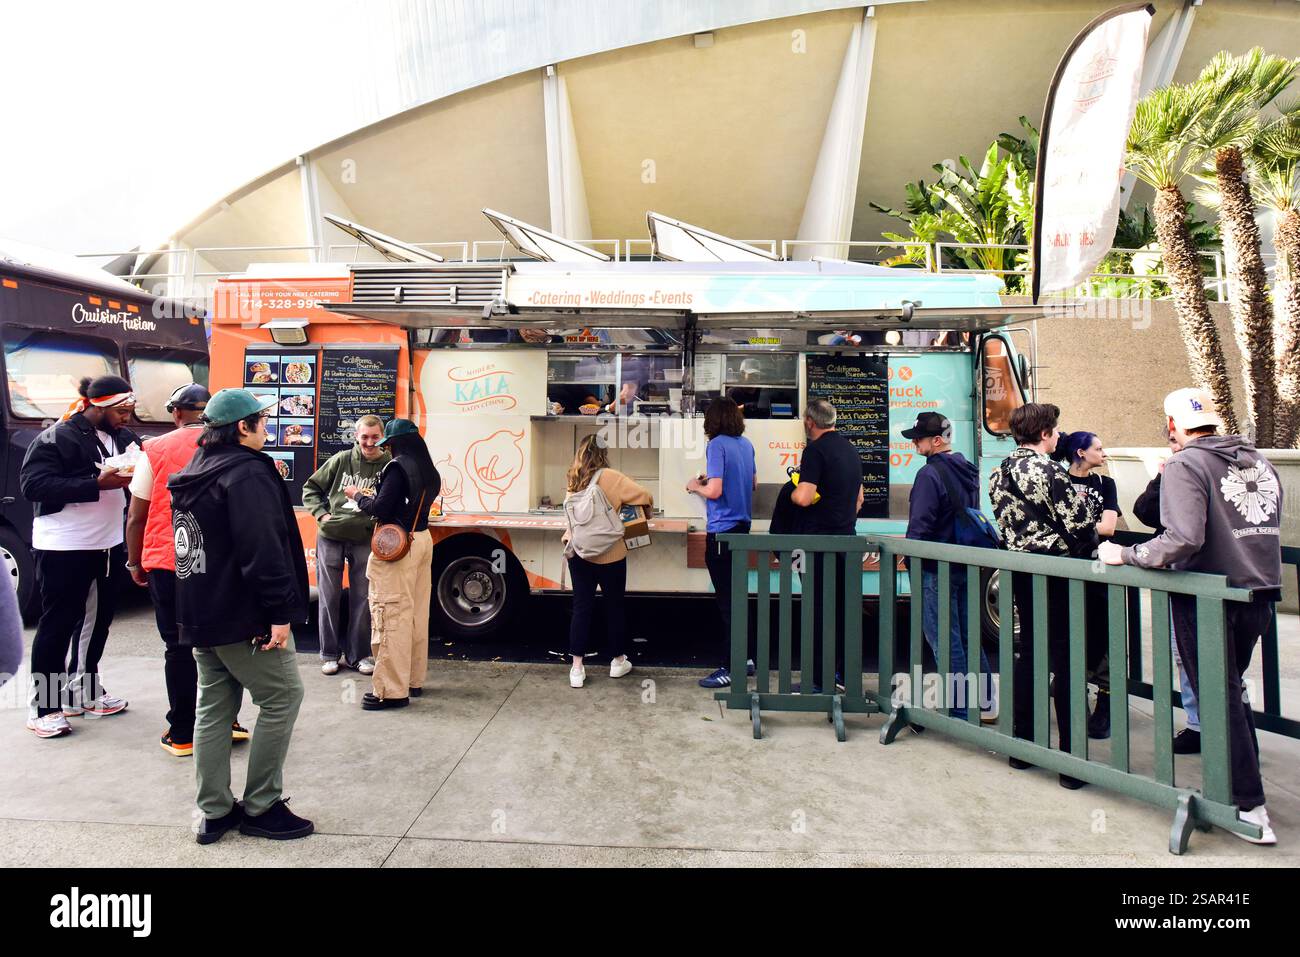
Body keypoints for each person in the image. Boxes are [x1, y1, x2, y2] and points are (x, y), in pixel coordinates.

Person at [1099, 388, 1280, 844]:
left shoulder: (1185, 464)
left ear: (1172, 425)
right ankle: (1244, 790)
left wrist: (1127, 553)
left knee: (1217, 699)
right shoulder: (1258, 461)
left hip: (1209, 596)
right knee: (1231, 697)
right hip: (1257, 593)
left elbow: (1181, 539)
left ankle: (1248, 806)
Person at [168, 388, 312, 844]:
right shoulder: (246, 473)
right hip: (242, 615)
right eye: (261, 422)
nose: (267, 429)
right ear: (242, 427)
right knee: (283, 697)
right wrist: (278, 611)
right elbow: (262, 548)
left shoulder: (195, 469)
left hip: (200, 611)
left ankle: (213, 812)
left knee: (213, 707)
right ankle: (262, 806)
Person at [124, 384, 249, 756]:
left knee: (177, 647)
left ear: (176, 413)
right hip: (219, 563)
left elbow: (136, 514)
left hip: (168, 557)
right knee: (222, 641)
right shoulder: (233, 447)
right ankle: (227, 721)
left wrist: (135, 560)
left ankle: (182, 733)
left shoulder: (156, 448)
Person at [20, 375, 139, 738]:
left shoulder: (122, 437)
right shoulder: (56, 437)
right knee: (57, 625)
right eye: (120, 411)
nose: (127, 418)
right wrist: (95, 484)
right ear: (96, 406)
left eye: (129, 410)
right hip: (63, 545)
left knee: (97, 623)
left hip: (108, 543)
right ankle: (44, 707)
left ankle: (84, 691)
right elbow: (33, 485)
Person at [988, 403, 1096, 789]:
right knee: (1067, 660)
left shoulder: (999, 472)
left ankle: (1024, 749)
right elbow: (1081, 526)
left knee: (1029, 654)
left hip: (1019, 572)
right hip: (1058, 573)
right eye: (1055, 430)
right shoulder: (1051, 471)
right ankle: (1070, 763)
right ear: (1046, 433)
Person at [902, 411, 995, 721]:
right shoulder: (967, 469)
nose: (914, 443)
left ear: (937, 441)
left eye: (919, 438)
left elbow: (920, 525)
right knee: (969, 634)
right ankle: (984, 702)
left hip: (936, 566)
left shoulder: (929, 475)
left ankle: (958, 711)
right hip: (965, 561)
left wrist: (909, 556)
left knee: (945, 637)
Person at [345, 419, 441, 711]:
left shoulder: (398, 467)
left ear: (396, 443)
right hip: (422, 540)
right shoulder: (428, 468)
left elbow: (381, 508)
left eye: (388, 444)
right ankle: (413, 679)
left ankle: (390, 690)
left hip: (398, 549)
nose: (386, 449)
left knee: (391, 616)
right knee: (415, 615)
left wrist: (358, 496)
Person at [562, 434, 653, 689]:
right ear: (603, 453)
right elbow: (644, 495)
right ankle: (617, 661)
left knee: (582, 607)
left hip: (579, 552)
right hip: (611, 554)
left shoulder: (573, 477)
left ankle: (577, 668)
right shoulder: (611, 477)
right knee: (614, 607)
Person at [302, 414, 389, 677]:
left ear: (382, 437)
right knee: (329, 596)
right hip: (331, 535)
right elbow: (311, 488)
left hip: (364, 537)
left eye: (375, 437)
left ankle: (360, 655)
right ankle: (329, 654)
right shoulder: (341, 460)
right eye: (364, 437)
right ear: (356, 437)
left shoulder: (389, 464)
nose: (369, 442)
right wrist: (321, 514)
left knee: (363, 598)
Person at [1132, 430, 1201, 754]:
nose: (1174, 449)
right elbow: (1145, 510)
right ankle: (1198, 724)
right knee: (1184, 655)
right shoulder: (1174, 473)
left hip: (1204, 575)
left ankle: (1223, 728)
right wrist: (1161, 477)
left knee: (1220, 663)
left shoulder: (1202, 470)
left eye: (1176, 441)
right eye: (1172, 443)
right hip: (1181, 578)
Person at [790, 399, 864, 693]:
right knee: (843, 610)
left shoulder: (815, 451)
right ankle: (846, 677)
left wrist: (793, 491)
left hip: (817, 545)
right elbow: (859, 499)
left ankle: (820, 681)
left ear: (810, 421)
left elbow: (805, 497)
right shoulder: (850, 449)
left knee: (818, 611)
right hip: (847, 540)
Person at [1052, 430, 1121, 739]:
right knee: (1067, 630)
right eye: (1098, 448)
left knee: (1103, 631)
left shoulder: (1105, 484)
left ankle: (1106, 700)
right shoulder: (1057, 479)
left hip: (1098, 567)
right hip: (1065, 568)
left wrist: (1075, 527)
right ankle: (1070, 689)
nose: (1103, 453)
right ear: (1081, 452)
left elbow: (1108, 527)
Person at [688, 397, 757, 688]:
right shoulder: (746, 444)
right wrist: (712, 481)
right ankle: (747, 659)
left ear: (712, 421)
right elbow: (752, 483)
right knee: (739, 599)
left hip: (721, 533)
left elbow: (715, 491)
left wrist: (696, 485)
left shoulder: (716, 445)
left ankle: (731, 667)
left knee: (728, 603)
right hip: (742, 529)